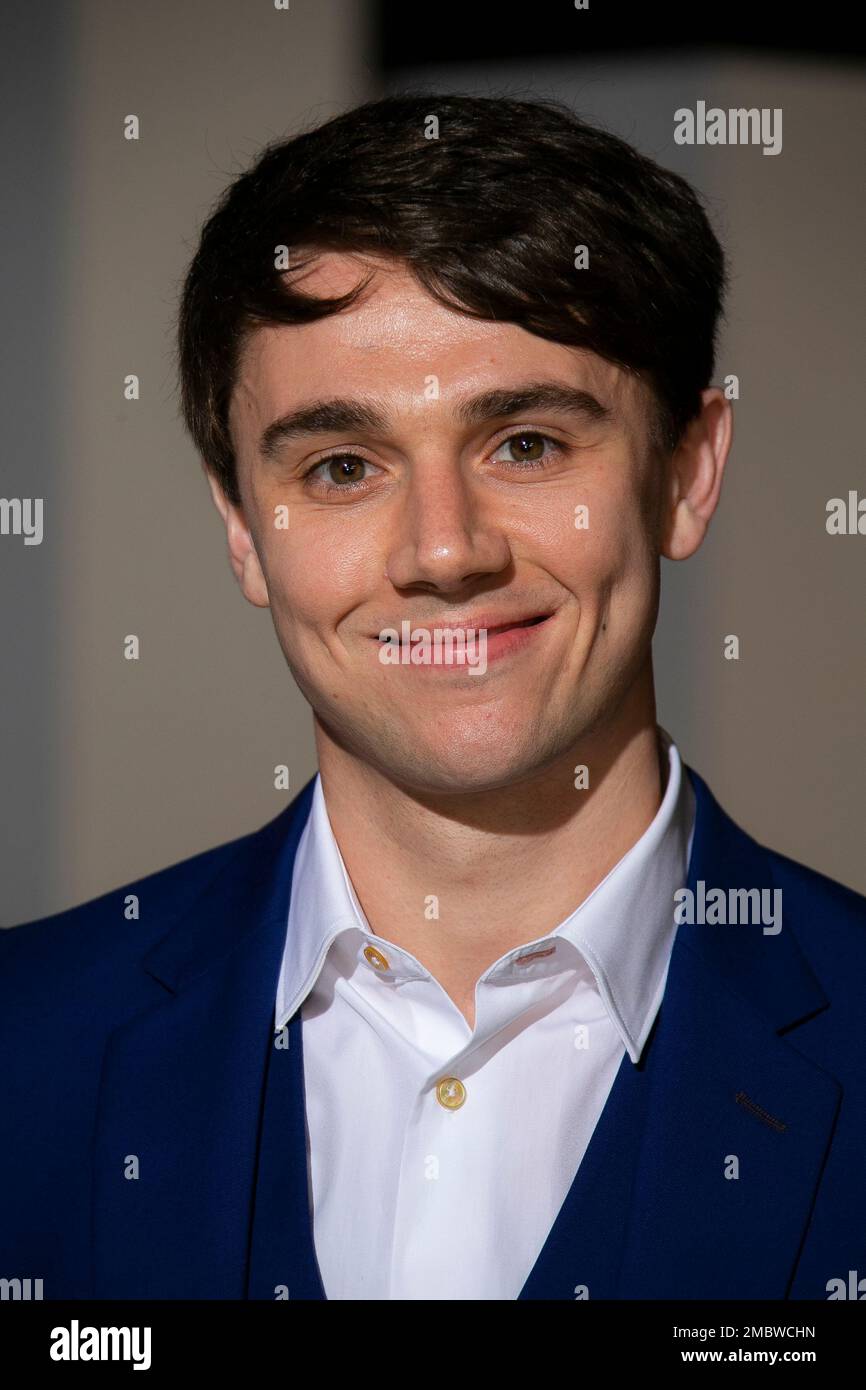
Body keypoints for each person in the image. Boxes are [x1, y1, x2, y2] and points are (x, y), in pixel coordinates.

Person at [2, 93, 864, 1302]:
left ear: (684, 471)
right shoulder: (20, 1045)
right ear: (242, 528)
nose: (444, 551)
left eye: (524, 443)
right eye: (342, 466)